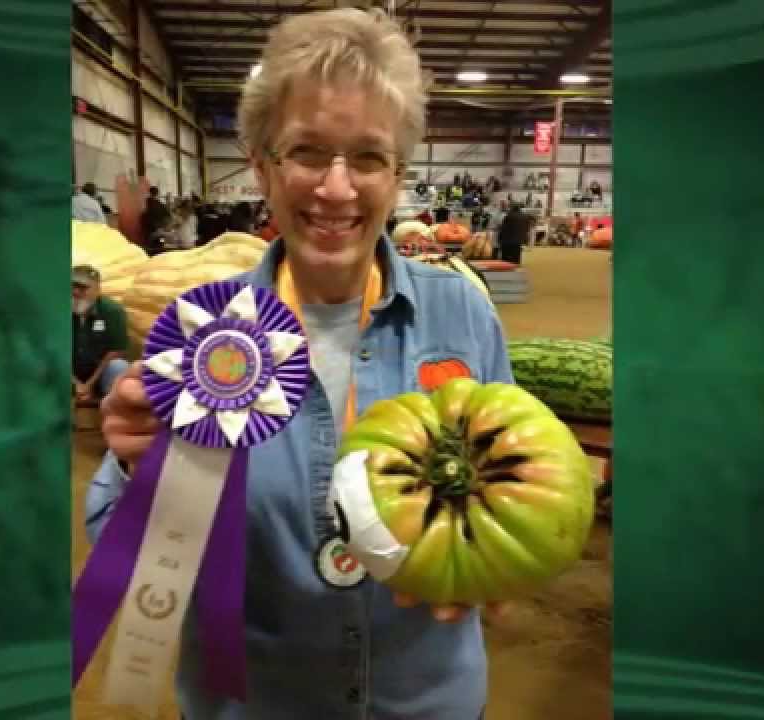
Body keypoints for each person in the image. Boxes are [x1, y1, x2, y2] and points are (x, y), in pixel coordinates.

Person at [86, 8, 512, 719]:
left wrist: (496, 554)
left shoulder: (463, 316)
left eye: (369, 157)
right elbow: (131, 557)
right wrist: (139, 471)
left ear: (398, 173)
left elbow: (505, 488)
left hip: (425, 705)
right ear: (261, 163)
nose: (337, 188)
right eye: (309, 152)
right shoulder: (201, 332)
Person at [71, 265, 129, 402]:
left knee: (118, 366)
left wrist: (88, 385)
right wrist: (76, 384)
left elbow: (116, 351)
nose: (75, 292)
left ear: (98, 290)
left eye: (83, 288)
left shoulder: (112, 311)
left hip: (99, 376)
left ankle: (111, 409)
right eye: (72, 286)